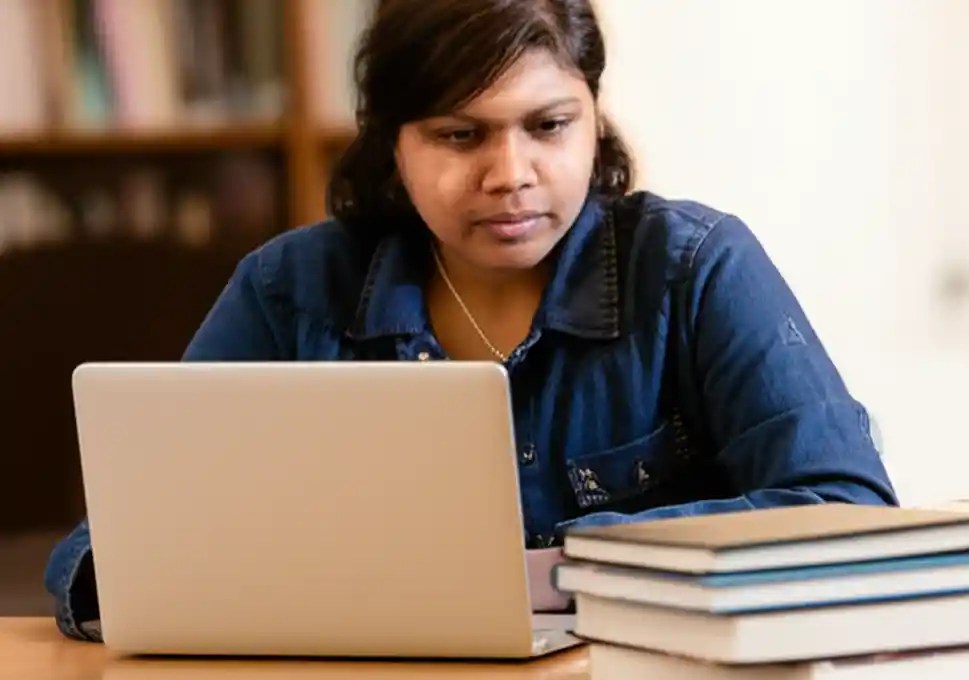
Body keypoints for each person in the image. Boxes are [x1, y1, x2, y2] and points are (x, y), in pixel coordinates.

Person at [44, 0, 897, 642]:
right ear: (393, 147)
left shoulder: (692, 267)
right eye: (460, 136)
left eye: (549, 126)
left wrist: (554, 570)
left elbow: (847, 508)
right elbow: (111, 552)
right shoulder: (291, 289)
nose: (511, 173)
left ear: (595, 118)